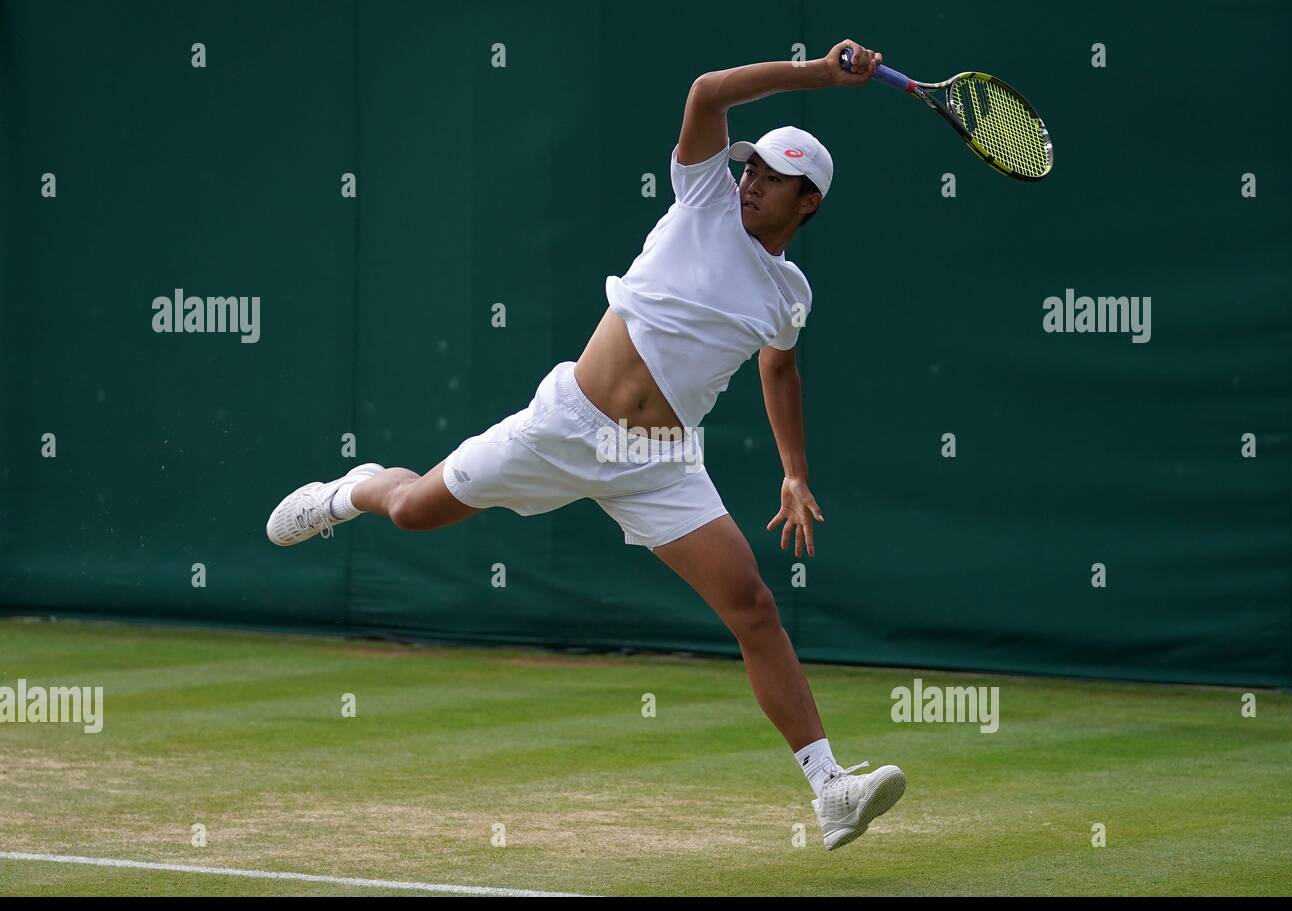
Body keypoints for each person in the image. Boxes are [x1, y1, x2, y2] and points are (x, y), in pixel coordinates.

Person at [266, 39, 905, 850]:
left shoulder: (789, 294)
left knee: (753, 606)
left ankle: (830, 789)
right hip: (566, 423)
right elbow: (707, 89)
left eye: (771, 178)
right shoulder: (704, 193)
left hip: (662, 466)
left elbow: (781, 374)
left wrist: (793, 472)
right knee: (415, 512)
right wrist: (814, 74)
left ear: (807, 202)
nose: (750, 182)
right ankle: (348, 492)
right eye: (750, 169)